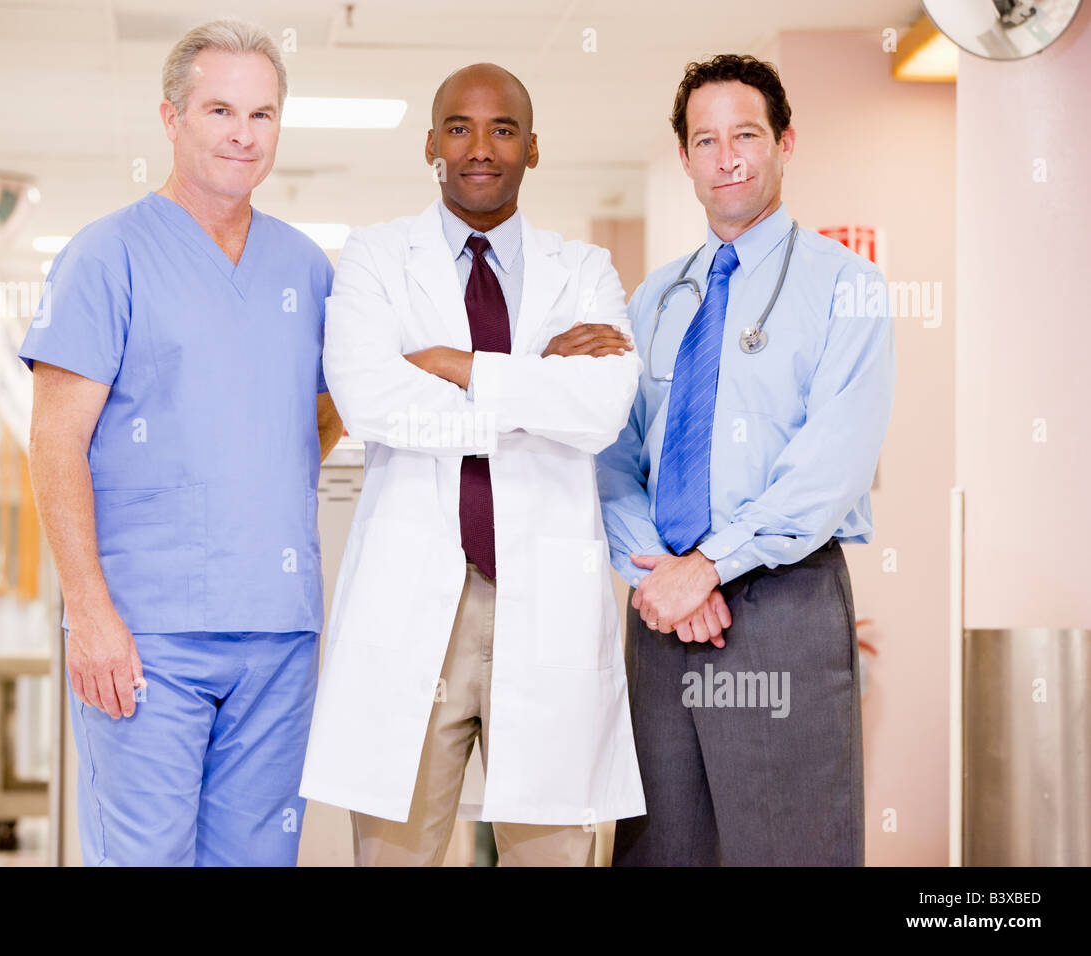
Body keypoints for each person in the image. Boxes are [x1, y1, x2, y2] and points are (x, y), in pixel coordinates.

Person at [299, 62, 646, 866]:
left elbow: (599, 412)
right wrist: (539, 378)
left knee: (550, 851)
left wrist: (456, 362)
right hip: (415, 599)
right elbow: (374, 398)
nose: (479, 148)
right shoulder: (376, 258)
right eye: (459, 127)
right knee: (397, 853)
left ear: (532, 147)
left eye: (501, 130)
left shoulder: (584, 269)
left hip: (545, 598)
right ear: (431, 143)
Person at [20, 18, 343, 866]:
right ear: (171, 119)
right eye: (220, 110)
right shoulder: (106, 256)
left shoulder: (307, 270)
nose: (243, 134)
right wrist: (88, 611)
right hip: (143, 630)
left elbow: (325, 410)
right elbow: (54, 445)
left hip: (277, 630)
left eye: (264, 115)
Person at [597, 53, 895, 866]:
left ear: (785, 142)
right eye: (704, 139)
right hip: (662, 615)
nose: (726, 156)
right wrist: (659, 568)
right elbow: (613, 456)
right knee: (660, 849)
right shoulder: (654, 298)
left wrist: (712, 566)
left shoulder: (848, 287)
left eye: (746, 135)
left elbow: (829, 468)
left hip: (781, 605)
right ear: (685, 157)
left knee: (788, 848)